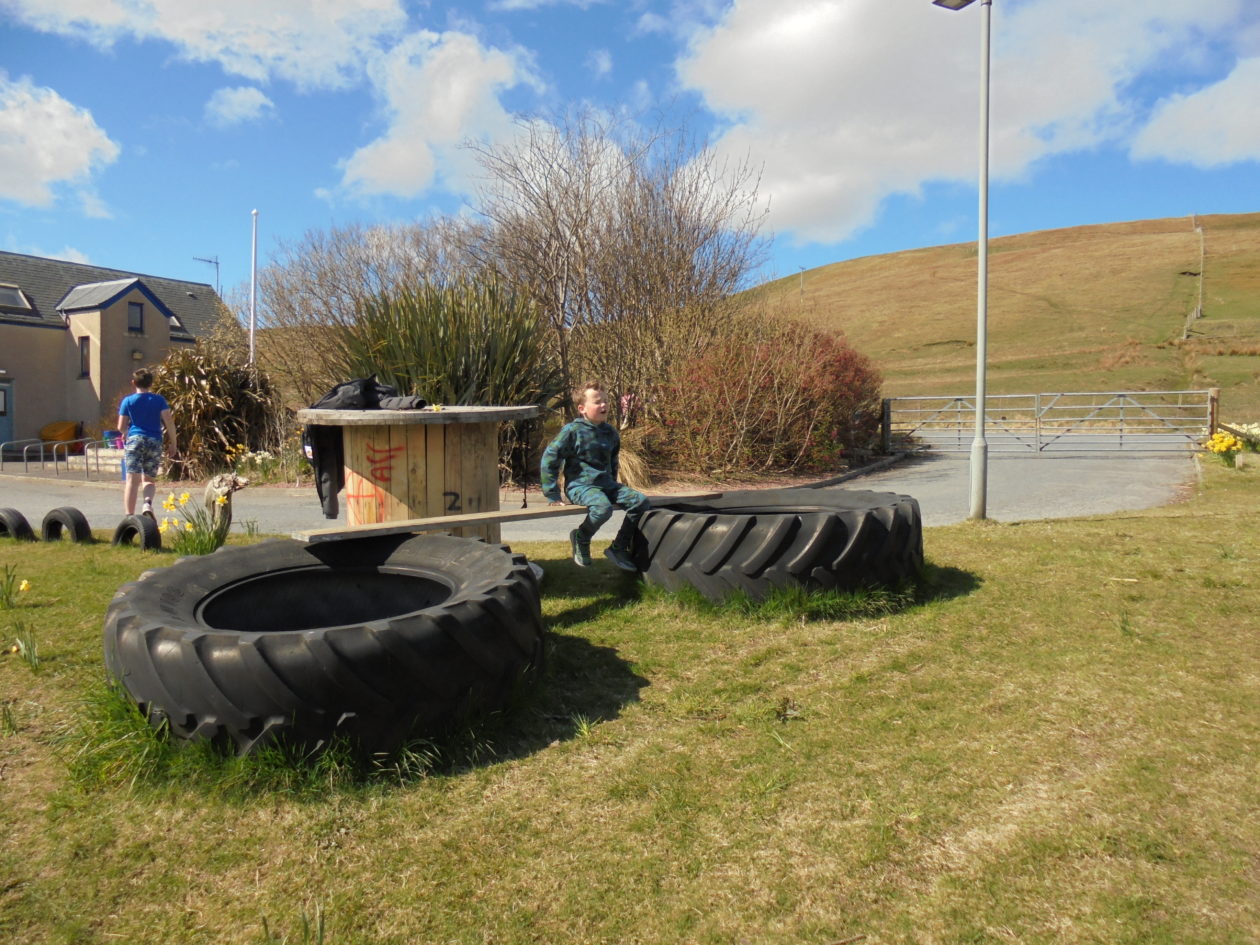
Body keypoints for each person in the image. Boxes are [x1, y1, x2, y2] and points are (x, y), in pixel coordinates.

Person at [541, 382, 649, 571]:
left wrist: (614, 486)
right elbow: (550, 458)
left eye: (606, 401)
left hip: (607, 484)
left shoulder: (610, 432)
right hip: (580, 487)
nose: (604, 405)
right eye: (597, 402)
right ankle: (581, 537)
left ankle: (619, 547)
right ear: (582, 408)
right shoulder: (572, 432)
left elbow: (613, 462)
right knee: (602, 508)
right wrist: (552, 494)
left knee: (640, 502)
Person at [117, 369, 179, 517]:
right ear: (151, 384)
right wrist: (173, 443)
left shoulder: (128, 401)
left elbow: (120, 426)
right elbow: (168, 421)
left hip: (135, 440)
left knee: (132, 481)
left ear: (133, 383)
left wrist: (126, 433)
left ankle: (129, 516)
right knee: (149, 479)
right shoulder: (159, 400)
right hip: (154, 441)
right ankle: (147, 503)